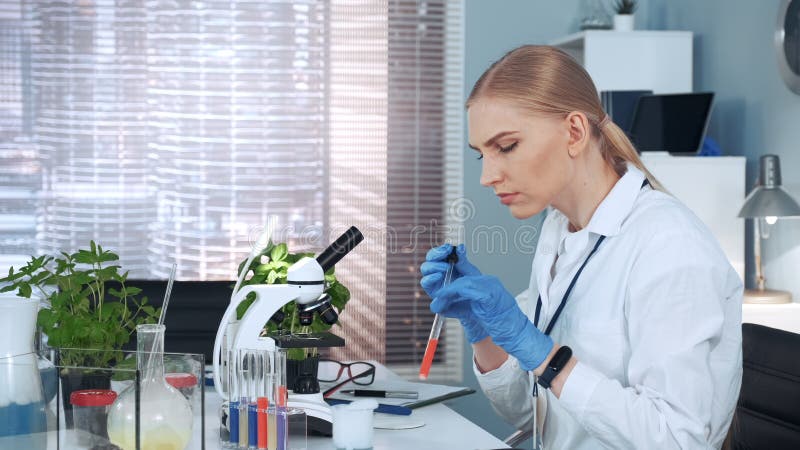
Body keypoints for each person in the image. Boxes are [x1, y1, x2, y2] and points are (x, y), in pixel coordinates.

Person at [420, 45, 742, 449]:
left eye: (506, 146)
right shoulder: (559, 229)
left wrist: (546, 358)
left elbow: (678, 441)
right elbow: (531, 413)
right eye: (481, 154)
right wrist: (484, 333)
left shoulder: (669, 245)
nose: (487, 176)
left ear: (574, 131)